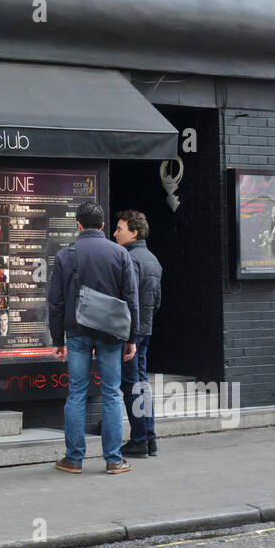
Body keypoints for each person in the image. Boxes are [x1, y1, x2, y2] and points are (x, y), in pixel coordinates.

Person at [48, 201, 139, 475]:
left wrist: (57, 340)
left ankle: (74, 459)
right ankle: (113, 459)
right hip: (111, 334)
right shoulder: (120, 254)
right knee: (111, 393)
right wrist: (131, 338)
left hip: (76, 332)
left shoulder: (66, 255)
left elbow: (56, 302)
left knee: (76, 392)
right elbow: (131, 299)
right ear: (102, 226)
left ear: (78, 225)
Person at [113, 209, 162, 458]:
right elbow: (157, 301)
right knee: (141, 383)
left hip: (130, 332)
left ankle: (140, 439)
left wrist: (127, 335)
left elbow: (127, 299)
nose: (114, 233)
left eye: (119, 229)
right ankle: (149, 438)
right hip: (146, 329)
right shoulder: (152, 258)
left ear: (133, 232)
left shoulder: (130, 259)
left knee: (131, 385)